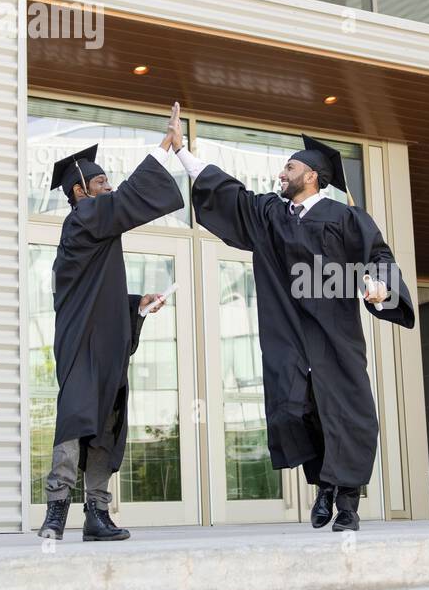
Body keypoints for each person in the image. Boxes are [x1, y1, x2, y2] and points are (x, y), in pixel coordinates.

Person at [177, 131, 414, 531]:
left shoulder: (345, 217)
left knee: (347, 412)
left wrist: (379, 285)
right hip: (286, 331)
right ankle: (323, 484)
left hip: (333, 332)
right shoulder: (271, 214)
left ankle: (347, 503)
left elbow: (377, 254)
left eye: (290, 167)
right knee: (294, 409)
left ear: (313, 176)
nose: (280, 173)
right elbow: (231, 195)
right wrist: (182, 152)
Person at [38, 104, 186, 541]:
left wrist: (134, 305)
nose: (110, 187)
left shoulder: (96, 233)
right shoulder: (84, 219)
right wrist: (165, 147)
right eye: (102, 181)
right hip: (83, 345)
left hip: (104, 341)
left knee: (106, 425)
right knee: (75, 420)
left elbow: (97, 293)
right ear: (81, 191)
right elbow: (127, 203)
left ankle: (96, 514)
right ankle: (56, 510)